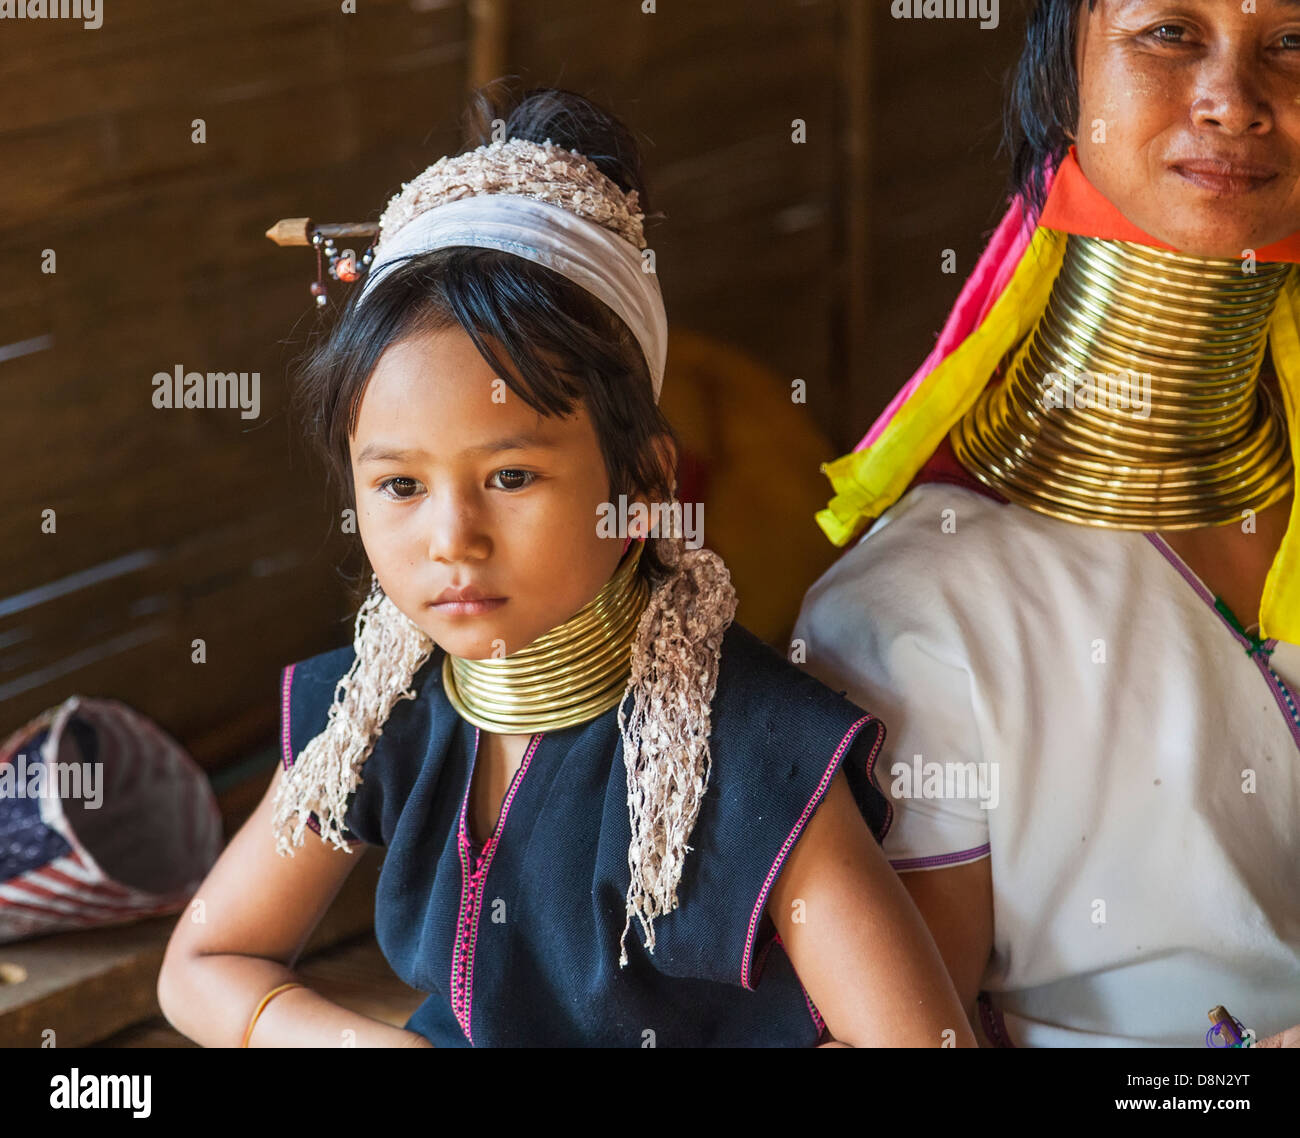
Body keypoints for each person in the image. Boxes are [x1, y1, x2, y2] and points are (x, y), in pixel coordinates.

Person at [156, 85, 972, 1048]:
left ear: (645, 478)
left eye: (510, 475)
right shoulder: (376, 716)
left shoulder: (752, 754)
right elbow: (205, 964)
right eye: (401, 487)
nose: (451, 537)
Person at [793, 0, 1300, 1047]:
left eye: (1295, 44)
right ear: (1060, 83)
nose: (1233, 102)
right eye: (1167, 31)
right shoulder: (921, 614)